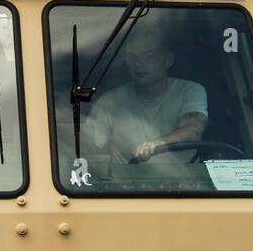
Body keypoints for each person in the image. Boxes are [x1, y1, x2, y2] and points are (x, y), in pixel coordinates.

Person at [84, 26, 208, 164]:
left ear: (168, 59)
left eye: (149, 55)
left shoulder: (189, 91)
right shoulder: (109, 102)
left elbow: (192, 131)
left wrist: (156, 144)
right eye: (132, 57)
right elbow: (94, 152)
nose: (139, 64)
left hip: (186, 182)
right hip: (126, 183)